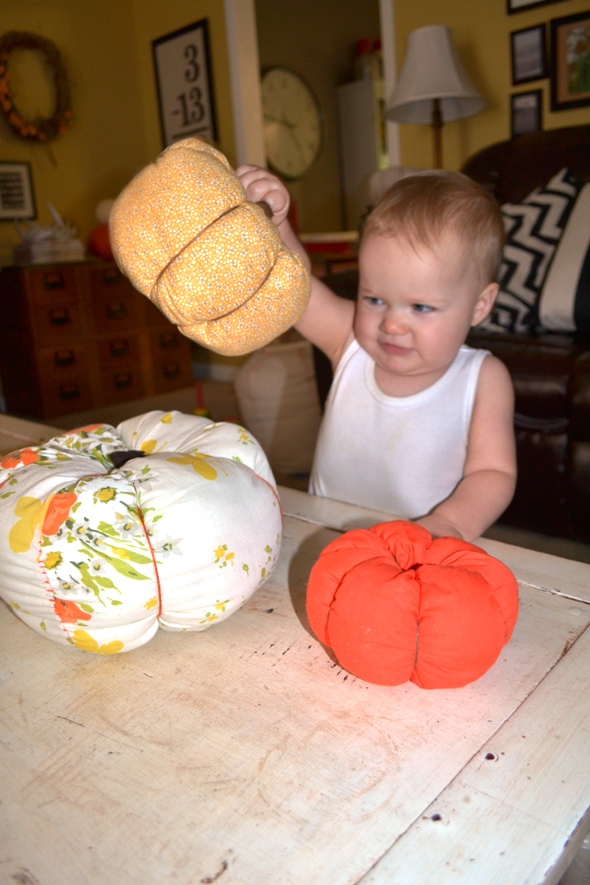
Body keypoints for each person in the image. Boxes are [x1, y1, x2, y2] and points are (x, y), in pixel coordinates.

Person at [237, 165, 516, 542]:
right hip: (324, 536)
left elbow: (494, 473)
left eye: (420, 307)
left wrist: (452, 524)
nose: (392, 325)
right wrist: (279, 223)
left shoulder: (483, 378)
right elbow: (296, 289)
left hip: (421, 551)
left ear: (480, 306)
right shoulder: (350, 344)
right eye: (374, 299)